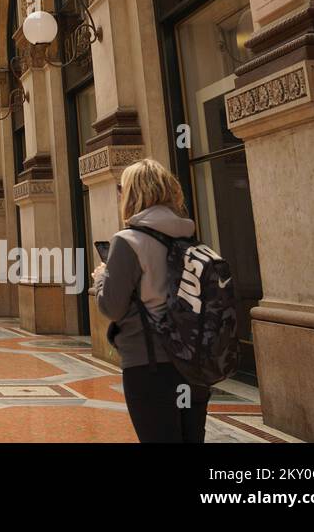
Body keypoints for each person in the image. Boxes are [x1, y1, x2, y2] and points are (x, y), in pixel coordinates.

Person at [95, 158, 211, 443]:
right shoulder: (190, 237)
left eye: (122, 189)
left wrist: (100, 278)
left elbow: (112, 306)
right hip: (194, 365)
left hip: (150, 365)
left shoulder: (128, 241)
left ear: (132, 194)